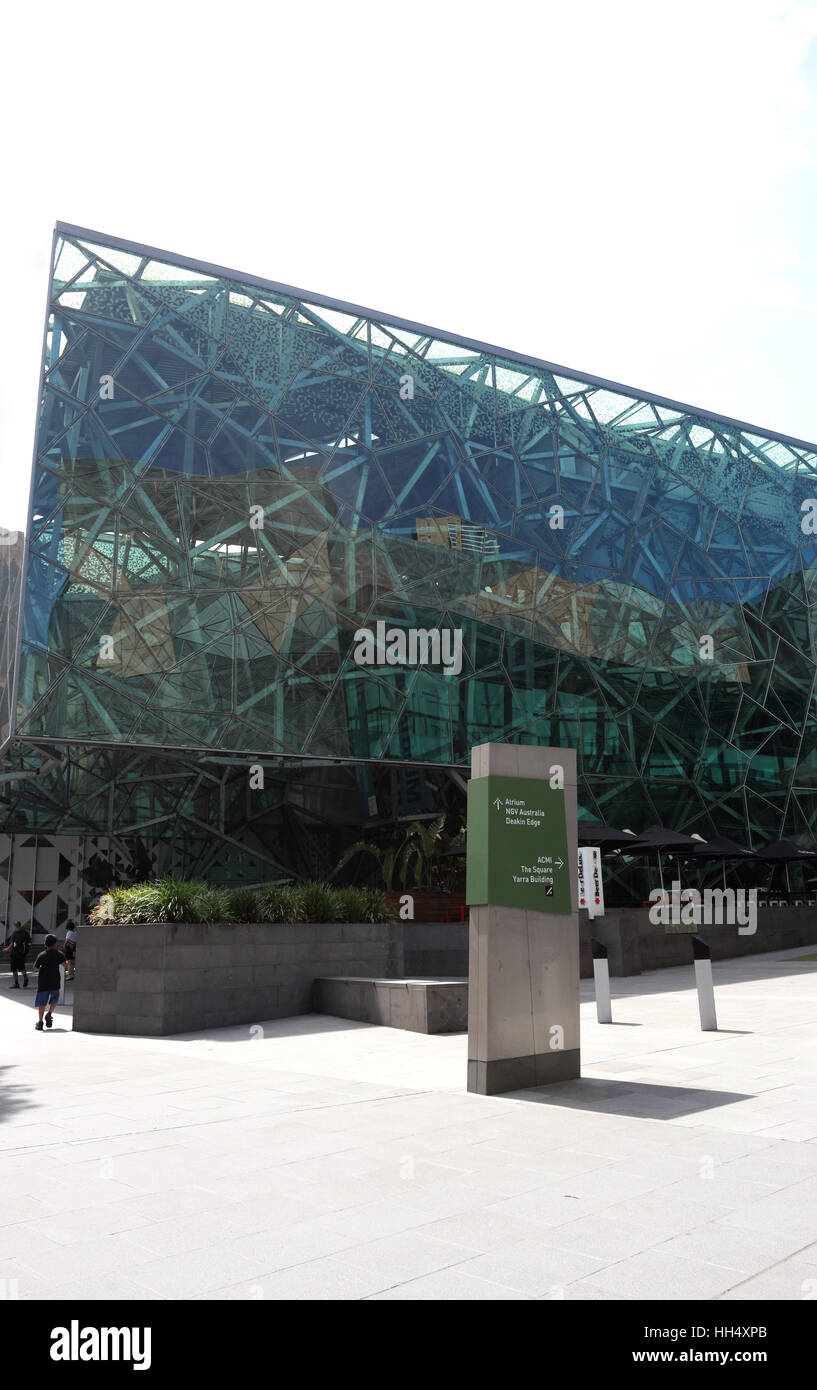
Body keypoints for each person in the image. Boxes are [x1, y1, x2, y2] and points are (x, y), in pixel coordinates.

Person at [32, 934, 65, 1030]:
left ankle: (40, 1022)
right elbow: (65, 965)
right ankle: (49, 1013)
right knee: (54, 1000)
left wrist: (42, 967)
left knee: (42, 1003)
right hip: (55, 981)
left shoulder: (41, 955)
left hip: (43, 983)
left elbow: (35, 968)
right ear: (55, 944)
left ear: (45, 944)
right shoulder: (59, 954)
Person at [2, 921, 31, 988]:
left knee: (14, 969)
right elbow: (29, 942)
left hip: (15, 953)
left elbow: (12, 943)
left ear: (15, 926)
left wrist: (7, 949)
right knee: (22, 966)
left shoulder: (15, 933)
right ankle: (25, 977)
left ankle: (16, 983)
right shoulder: (25, 932)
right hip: (23, 953)